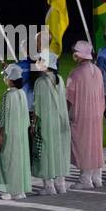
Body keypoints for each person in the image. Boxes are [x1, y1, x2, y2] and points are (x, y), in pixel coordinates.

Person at [66, 39, 106, 190]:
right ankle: (97, 177)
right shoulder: (97, 70)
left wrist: (65, 112)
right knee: (95, 143)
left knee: (83, 145)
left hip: (81, 114)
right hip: (96, 112)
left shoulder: (75, 73)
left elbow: (69, 97)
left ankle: (85, 179)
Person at [30, 51, 71, 195]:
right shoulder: (59, 79)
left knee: (46, 152)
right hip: (60, 122)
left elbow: (37, 107)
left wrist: (33, 125)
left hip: (46, 122)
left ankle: (49, 186)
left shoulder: (40, 82)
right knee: (59, 151)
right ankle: (61, 184)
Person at [0, 64, 33, 199]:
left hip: (9, 133)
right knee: (20, 159)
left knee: (8, 160)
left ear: (10, 80)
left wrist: (0, 134)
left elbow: (3, 117)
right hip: (21, 132)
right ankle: (20, 189)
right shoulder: (22, 94)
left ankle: (8, 189)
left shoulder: (7, 95)